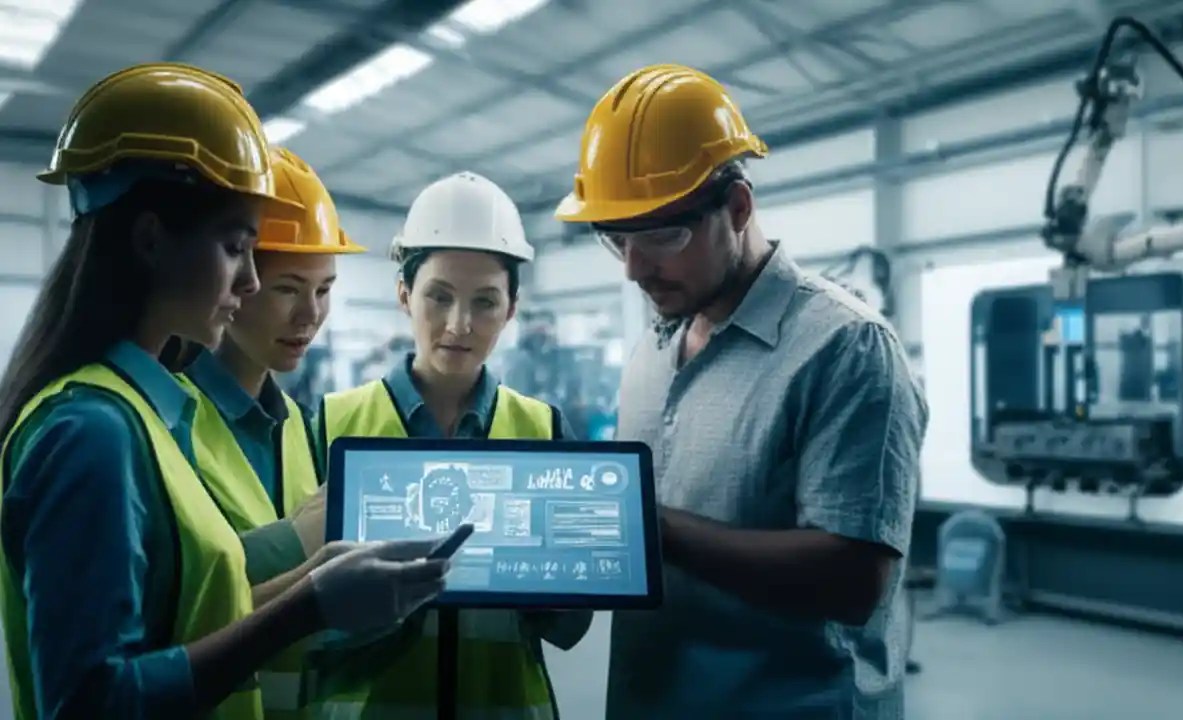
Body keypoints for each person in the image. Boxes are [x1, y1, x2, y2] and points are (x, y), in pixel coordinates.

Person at [0, 63, 451, 720]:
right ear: (152, 239)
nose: (247, 285)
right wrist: (306, 605)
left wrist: (321, 576)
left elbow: (187, 622)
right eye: (237, 248)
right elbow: (89, 702)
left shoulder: (146, 416)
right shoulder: (89, 430)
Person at [555, 63, 929, 720]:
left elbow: (854, 579)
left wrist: (657, 526)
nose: (636, 269)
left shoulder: (844, 347)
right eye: (615, 240)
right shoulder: (652, 351)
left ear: (737, 207)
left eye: (662, 235)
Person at [307, 171, 592, 719]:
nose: (459, 324)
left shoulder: (545, 431)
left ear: (511, 309)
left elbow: (570, 624)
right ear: (404, 296)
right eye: (439, 297)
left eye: (485, 302)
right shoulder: (329, 426)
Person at [177, 144, 366, 718]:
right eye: (288, 288)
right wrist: (297, 542)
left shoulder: (297, 426)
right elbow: (172, 611)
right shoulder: (166, 419)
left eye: (325, 288)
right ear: (238, 275)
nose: (310, 314)